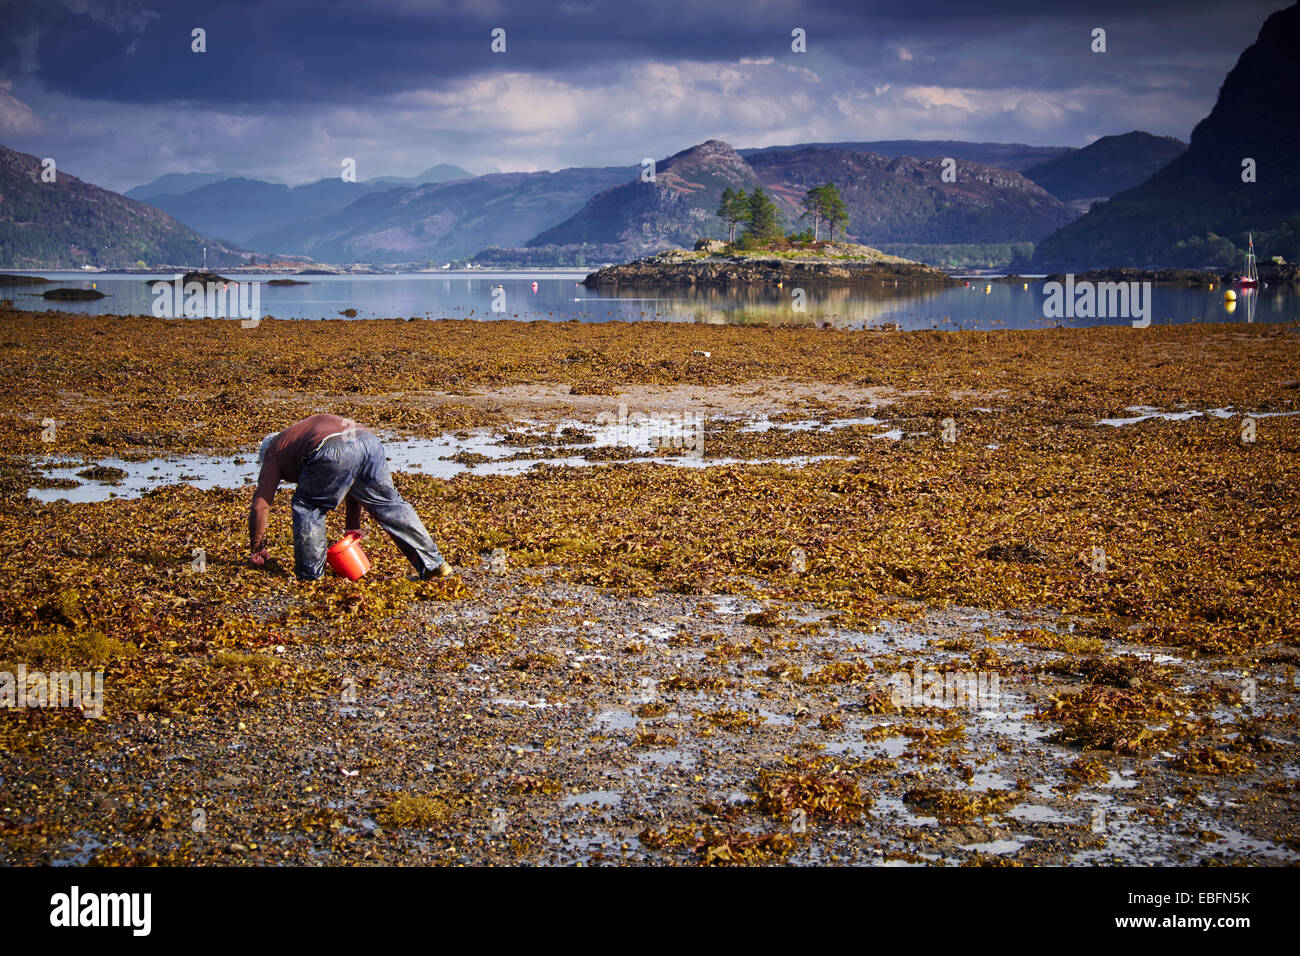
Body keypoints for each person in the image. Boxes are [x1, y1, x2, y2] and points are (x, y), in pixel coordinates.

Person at [248, 413, 452, 581]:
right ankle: (434, 564)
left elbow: (260, 504)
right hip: (368, 441)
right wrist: (352, 525)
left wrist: (257, 547)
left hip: (331, 447)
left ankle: (310, 577)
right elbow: (353, 482)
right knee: (389, 505)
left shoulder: (274, 451)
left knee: (308, 506)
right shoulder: (299, 434)